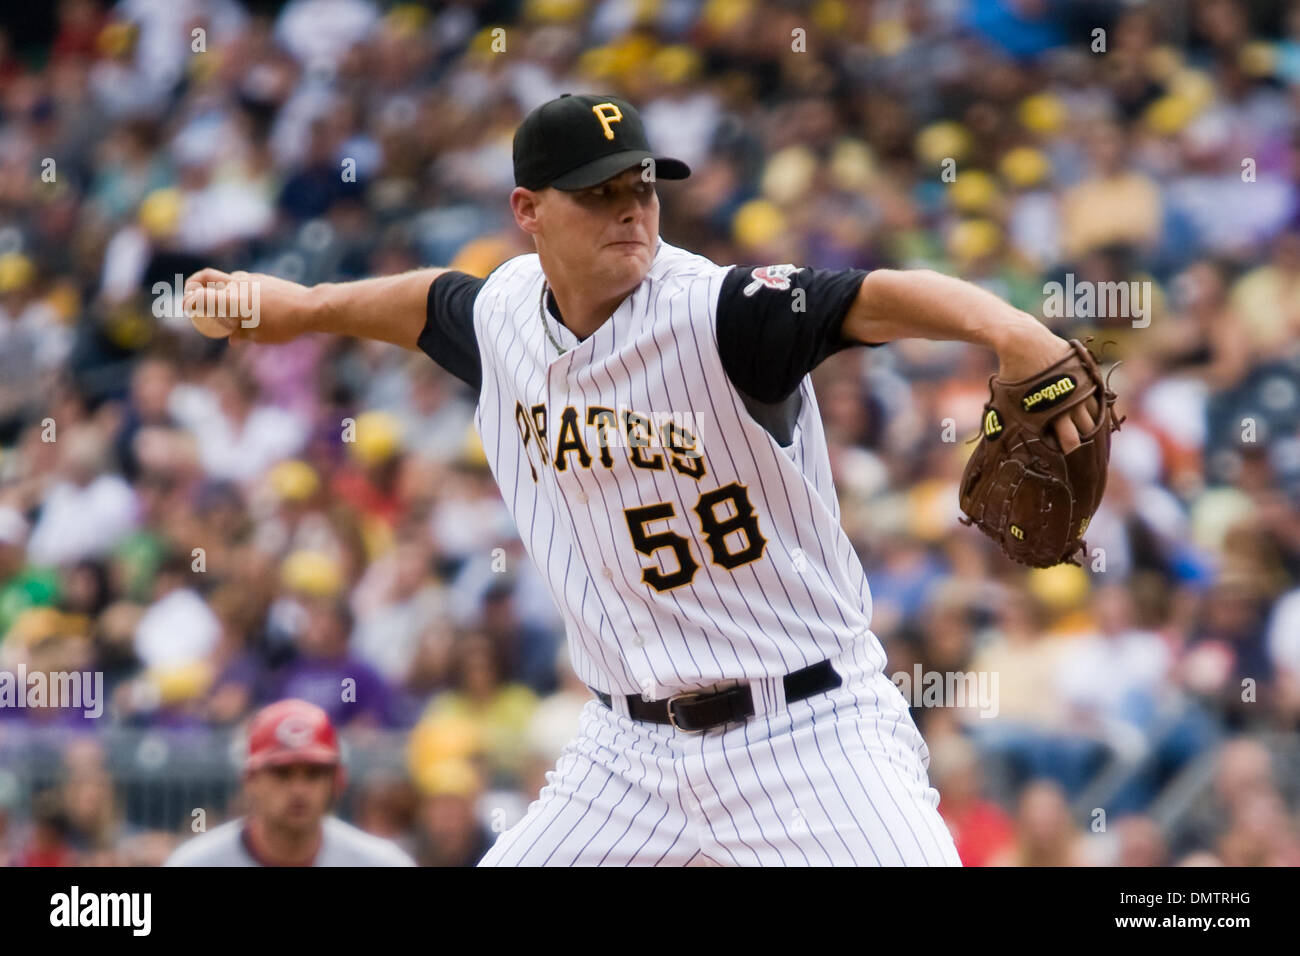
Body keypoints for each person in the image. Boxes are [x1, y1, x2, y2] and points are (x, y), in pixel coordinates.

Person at [184, 93, 1100, 866]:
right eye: (599, 194)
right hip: (624, 752)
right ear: (528, 210)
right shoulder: (504, 314)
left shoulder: (720, 312)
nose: (631, 209)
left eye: (642, 188)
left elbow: (876, 296)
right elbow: (422, 303)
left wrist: (1016, 334)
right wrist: (299, 307)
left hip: (810, 729)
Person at [164, 699, 414, 866]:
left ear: (335, 780)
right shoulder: (195, 863)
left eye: (314, 774)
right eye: (282, 774)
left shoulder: (382, 862)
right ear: (250, 780)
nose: (299, 789)